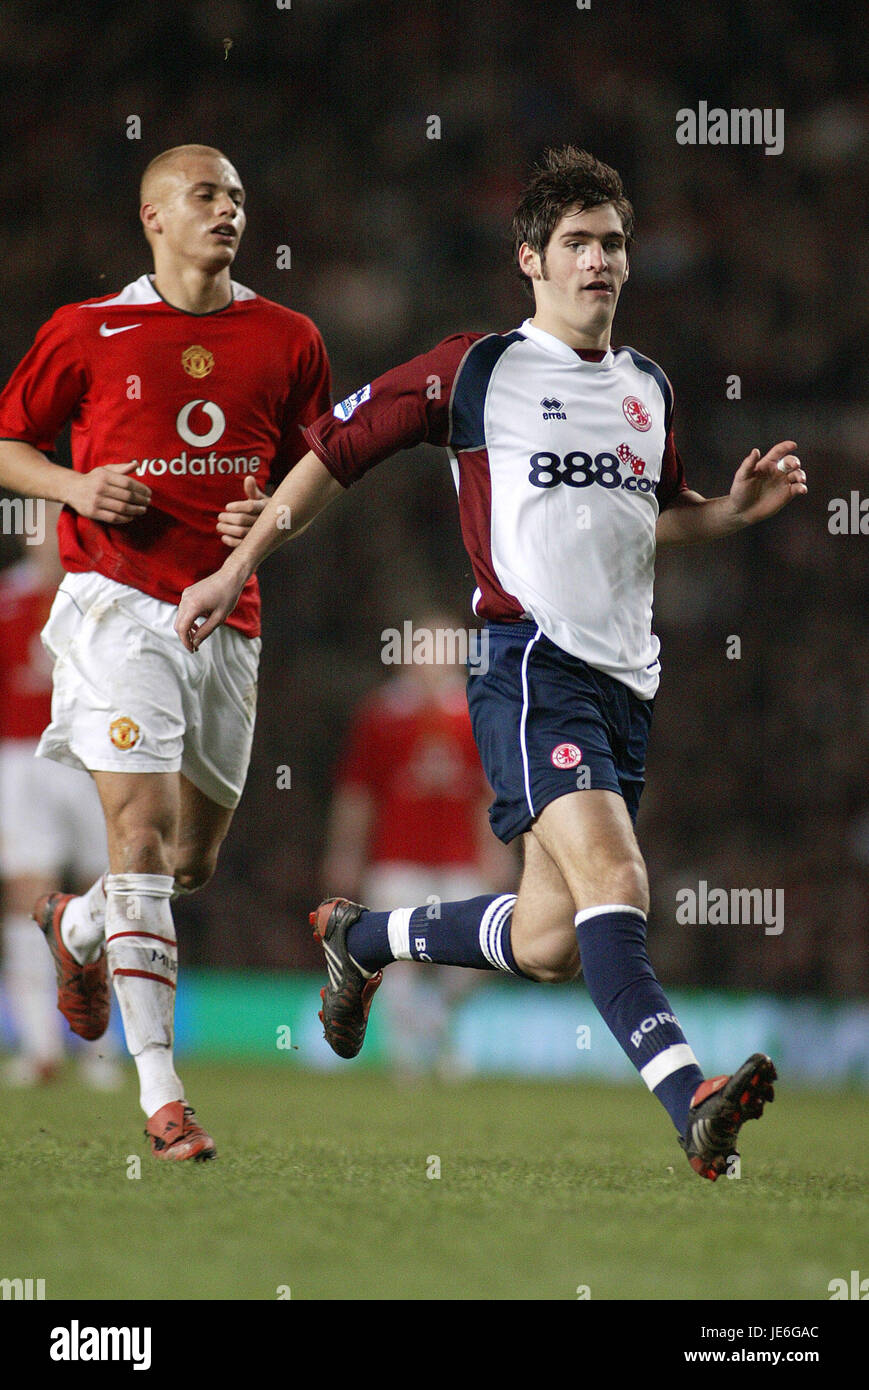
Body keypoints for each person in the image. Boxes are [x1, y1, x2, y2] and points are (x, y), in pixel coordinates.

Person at [175, 146, 806, 1180]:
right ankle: (687, 1096)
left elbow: (656, 521)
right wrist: (233, 563)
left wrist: (732, 509)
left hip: (626, 686)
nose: (597, 261)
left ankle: (365, 940)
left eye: (611, 243)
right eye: (575, 244)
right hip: (528, 667)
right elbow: (338, 450)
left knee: (555, 937)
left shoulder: (646, 388)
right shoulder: (479, 369)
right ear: (530, 259)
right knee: (618, 880)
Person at [0, 144, 331, 1160]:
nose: (227, 210)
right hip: (114, 608)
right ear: (153, 217)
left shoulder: (288, 337)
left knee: (190, 860)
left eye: (237, 195)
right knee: (137, 839)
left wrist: (267, 520)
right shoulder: (87, 329)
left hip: (226, 617)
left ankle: (79, 928)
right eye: (205, 195)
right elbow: (8, 444)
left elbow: (320, 467)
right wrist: (69, 487)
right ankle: (162, 1096)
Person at [321, 611, 515, 1076]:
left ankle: (436, 1021)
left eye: (443, 647)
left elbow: (489, 793)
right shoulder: (381, 713)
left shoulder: (475, 708)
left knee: (477, 961)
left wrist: (498, 853)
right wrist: (345, 852)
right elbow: (357, 793)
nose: (433, 658)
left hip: (458, 859)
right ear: (407, 653)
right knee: (396, 962)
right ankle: (408, 1056)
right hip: (396, 859)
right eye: (424, 647)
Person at [0, 510, 122, 1089]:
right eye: (39, 523)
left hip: (86, 757)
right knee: (30, 897)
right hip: (20, 761)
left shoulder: (98, 595)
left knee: (107, 894)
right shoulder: (6, 602)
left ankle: (98, 1046)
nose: (48, 535)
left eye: (59, 522)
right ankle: (40, 1048)